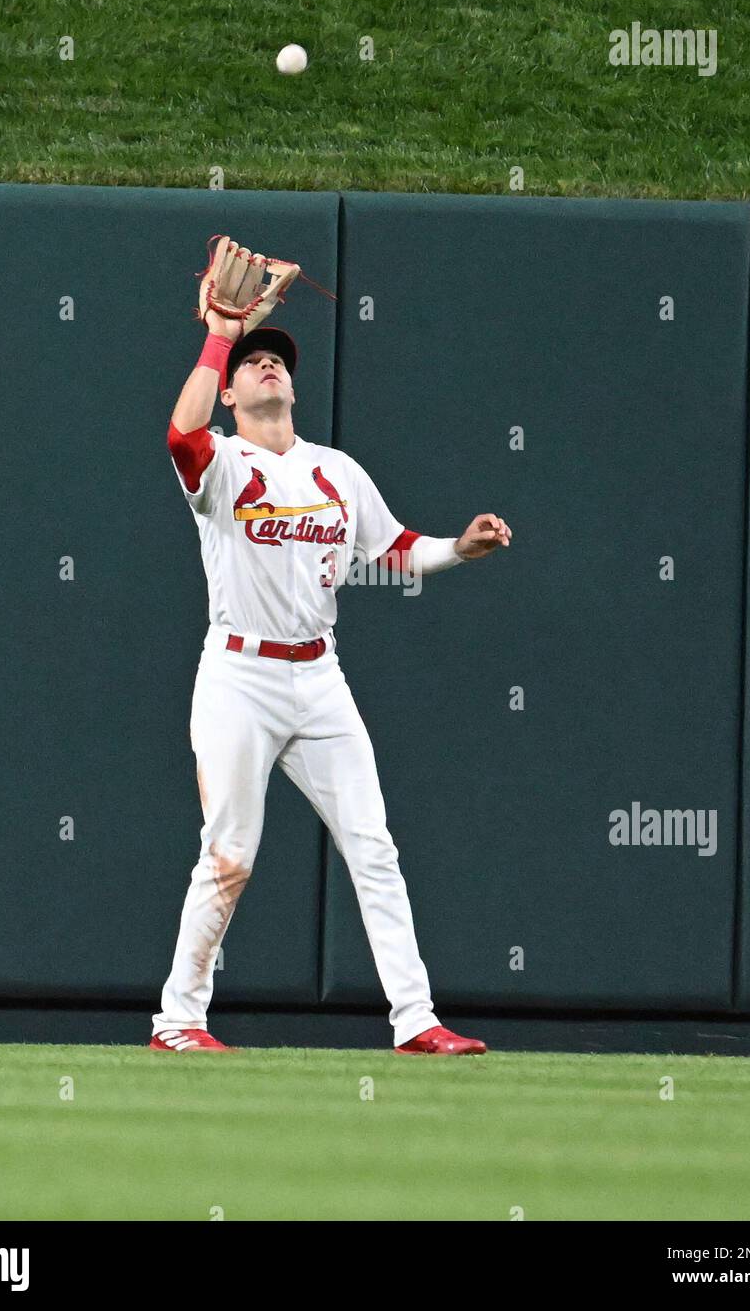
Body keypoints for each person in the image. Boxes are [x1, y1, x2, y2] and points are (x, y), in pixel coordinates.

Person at [150, 298, 511, 1056]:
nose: (267, 363)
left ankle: (414, 1020)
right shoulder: (221, 461)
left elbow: (396, 548)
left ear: (293, 387)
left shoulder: (335, 469)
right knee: (229, 854)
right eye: (253, 361)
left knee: (373, 845)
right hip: (238, 675)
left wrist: (458, 548)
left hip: (319, 677)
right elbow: (180, 434)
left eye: (275, 358)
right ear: (230, 391)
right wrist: (218, 338)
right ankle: (178, 1022)